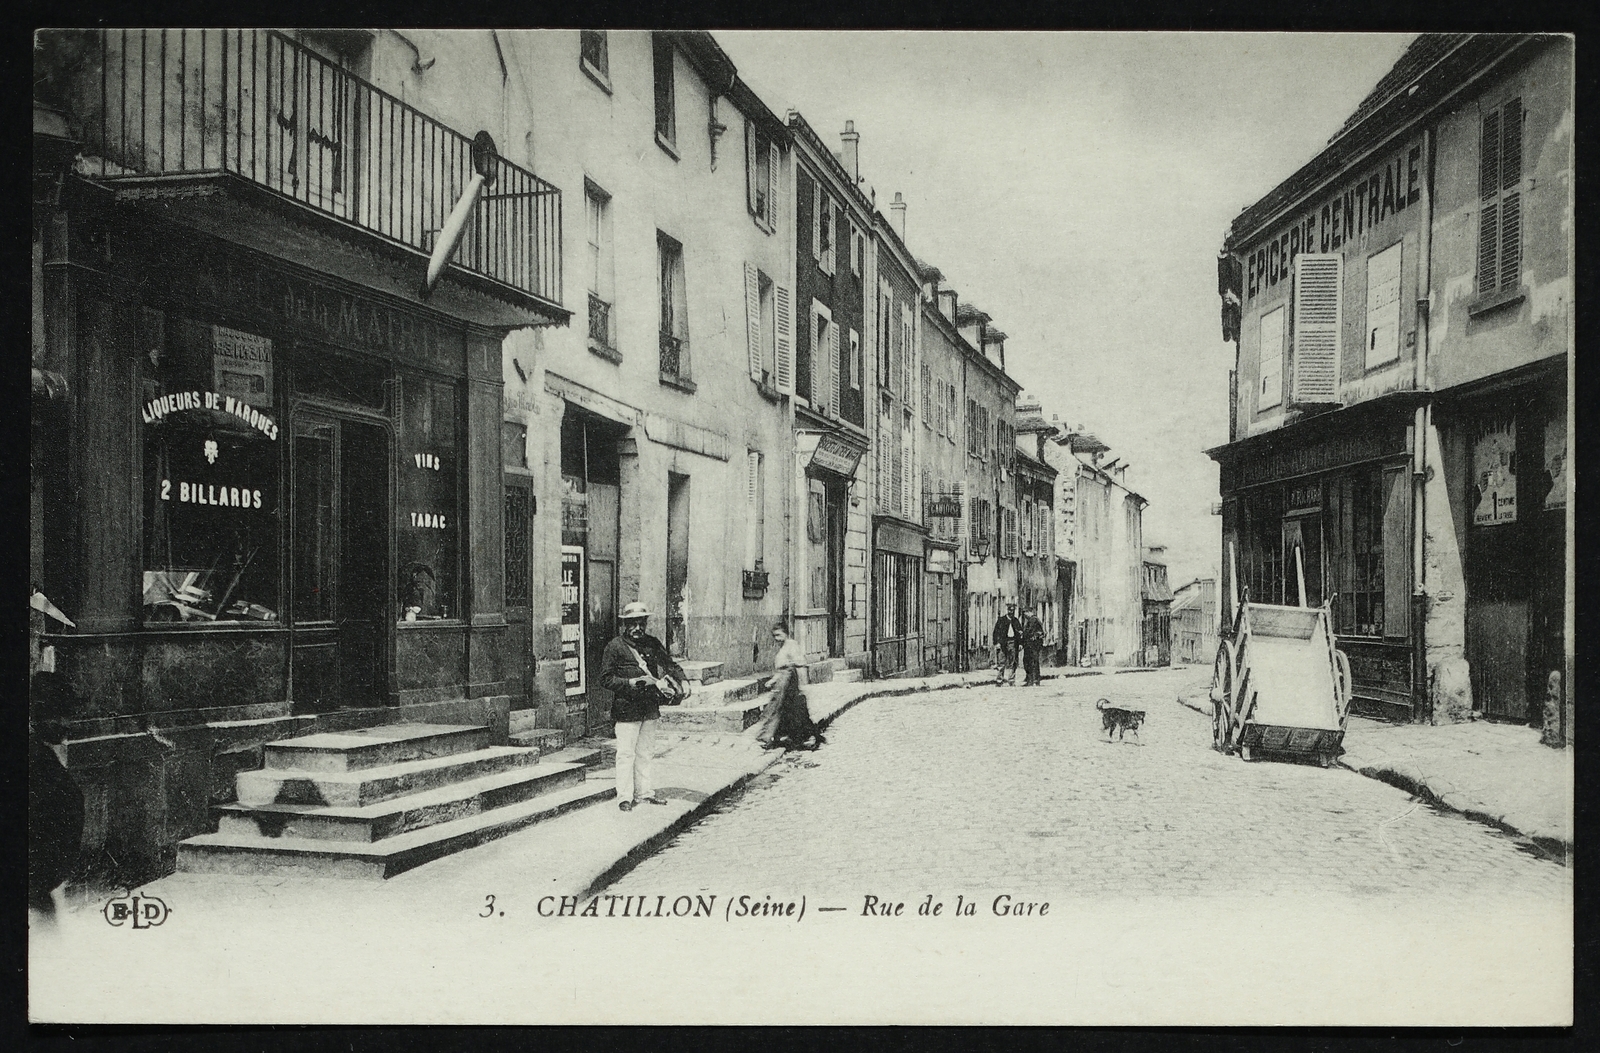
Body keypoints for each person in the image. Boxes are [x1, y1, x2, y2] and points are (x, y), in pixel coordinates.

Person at [599, 602, 686, 811]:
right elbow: (605, 679)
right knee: (626, 754)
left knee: (645, 753)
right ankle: (624, 797)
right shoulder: (615, 647)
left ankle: (644, 792)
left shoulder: (652, 644)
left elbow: (670, 664)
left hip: (649, 707)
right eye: (633, 624)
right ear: (625, 625)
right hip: (627, 709)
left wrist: (684, 680)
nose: (637, 628)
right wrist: (629, 683)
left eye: (641, 623)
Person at [752, 622, 825, 751]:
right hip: (782, 681)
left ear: (785, 633)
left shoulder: (791, 645)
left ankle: (772, 738)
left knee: (783, 709)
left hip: (789, 682)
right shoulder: (783, 647)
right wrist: (773, 680)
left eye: (779, 635)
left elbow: (800, 662)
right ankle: (777, 738)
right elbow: (780, 669)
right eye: (774, 636)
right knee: (785, 710)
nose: (776, 638)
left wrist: (803, 683)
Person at [992, 601, 1023, 686]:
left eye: (1013, 610)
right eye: (1010, 610)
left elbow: (1020, 633)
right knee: (1001, 662)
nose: (1011, 612)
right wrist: (997, 643)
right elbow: (996, 632)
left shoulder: (1016, 621)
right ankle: (999, 680)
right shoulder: (1001, 620)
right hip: (1003, 643)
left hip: (1013, 643)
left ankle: (1011, 680)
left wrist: (1020, 644)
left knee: (1013, 662)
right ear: (1007, 610)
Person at [1020, 604, 1046, 686]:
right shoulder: (1032, 620)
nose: (1024, 615)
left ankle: (1033, 680)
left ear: (1028, 612)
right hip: (1030, 645)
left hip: (1033, 645)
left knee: (1032, 662)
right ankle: (1031, 680)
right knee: (1029, 661)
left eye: (1025, 613)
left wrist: (1022, 634)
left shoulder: (1033, 620)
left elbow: (1029, 632)